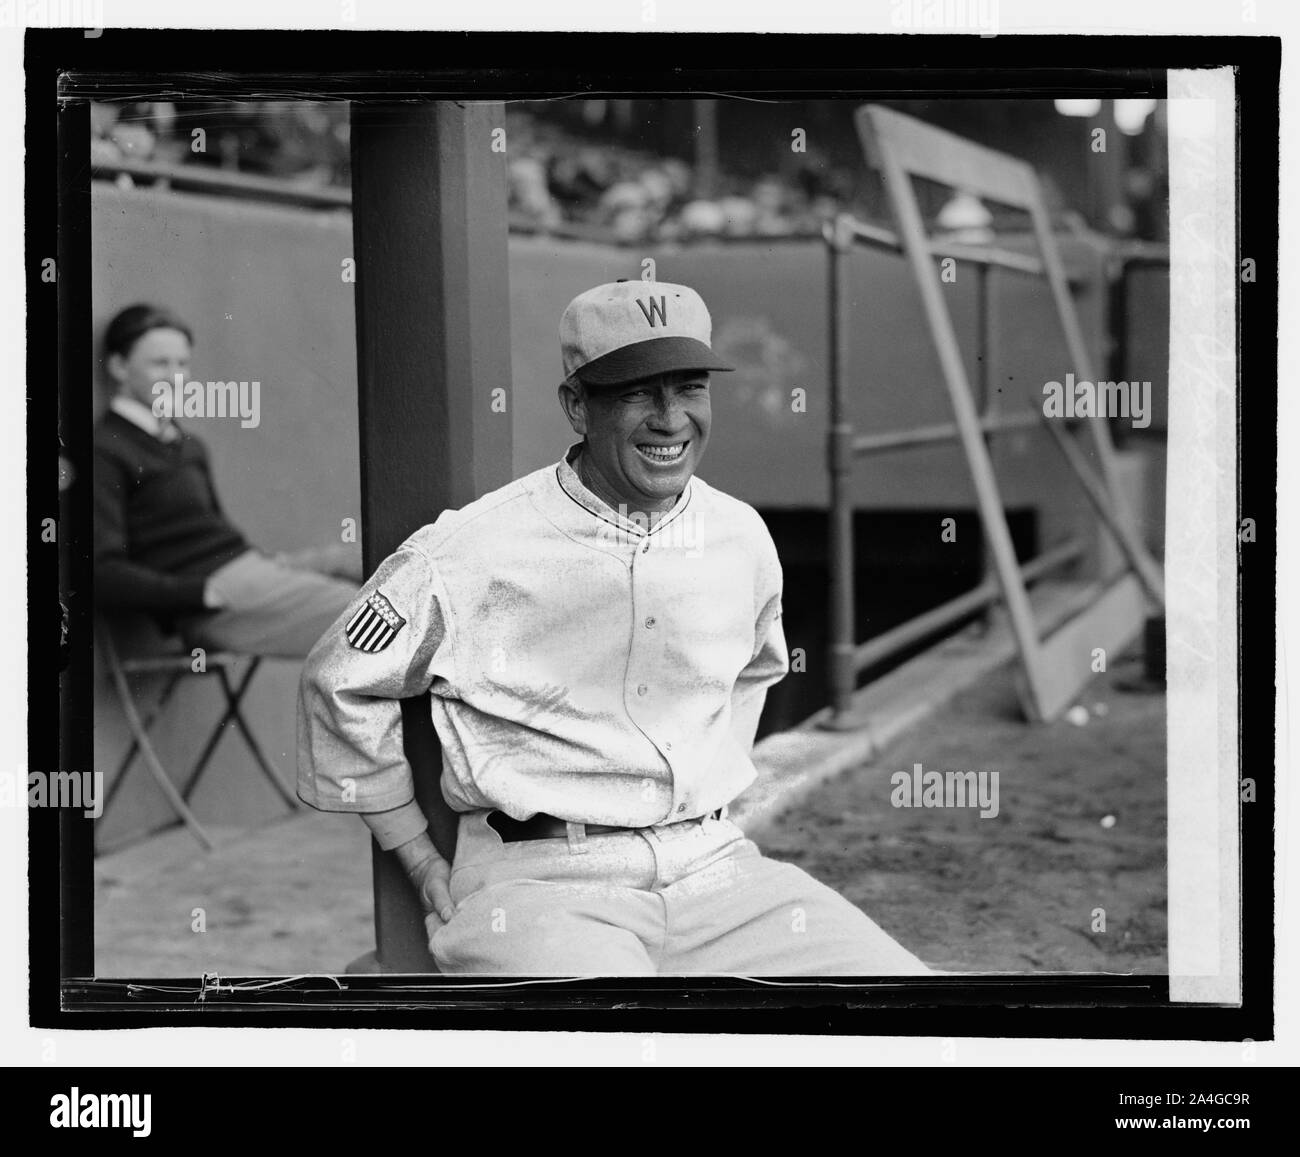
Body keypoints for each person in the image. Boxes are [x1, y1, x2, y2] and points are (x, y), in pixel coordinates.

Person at [298, 280, 930, 975]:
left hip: (714, 869)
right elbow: (339, 678)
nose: (670, 418)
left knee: (913, 1012)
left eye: (689, 387)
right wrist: (416, 851)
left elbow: (755, 671)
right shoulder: (474, 547)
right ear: (577, 406)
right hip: (542, 883)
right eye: (636, 392)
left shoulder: (739, 533)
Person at [94, 304, 360, 659]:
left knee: (369, 555)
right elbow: (101, 570)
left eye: (182, 364)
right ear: (119, 367)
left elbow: (216, 532)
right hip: (213, 600)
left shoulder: (188, 445)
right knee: (374, 614)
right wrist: (200, 593)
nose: (177, 378)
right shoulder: (105, 450)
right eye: (160, 364)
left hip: (254, 568)